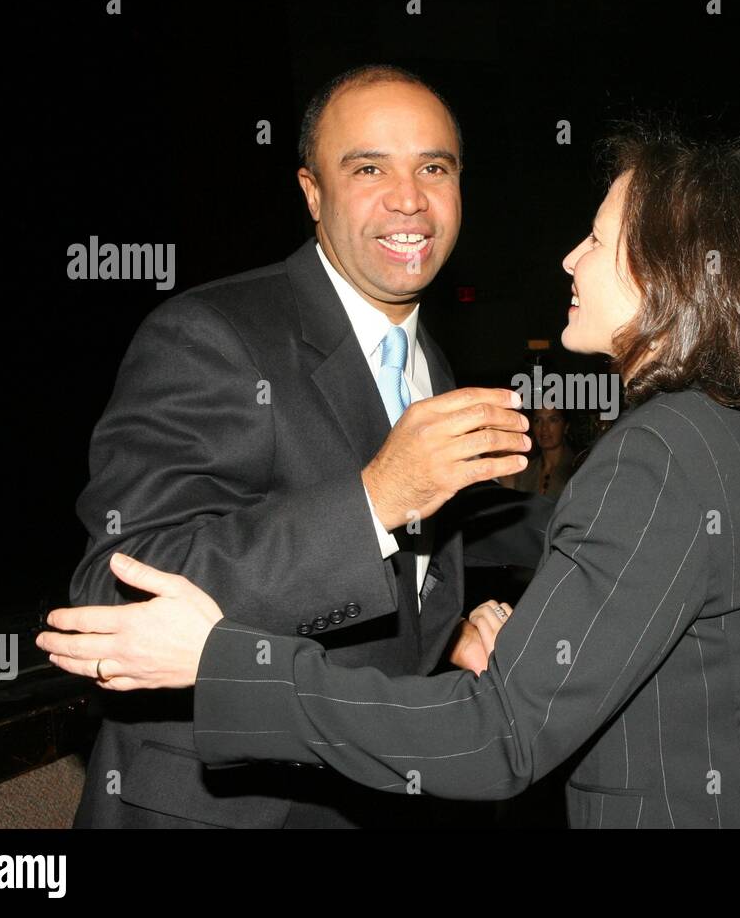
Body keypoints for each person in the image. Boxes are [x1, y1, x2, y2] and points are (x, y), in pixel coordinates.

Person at [40, 127, 740, 828]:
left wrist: (221, 663)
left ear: (674, 272)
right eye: (369, 168)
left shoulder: (660, 447)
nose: (570, 256)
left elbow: (499, 736)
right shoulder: (728, 423)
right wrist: (539, 644)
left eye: (598, 240)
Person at [66, 64, 552, 829]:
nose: (409, 198)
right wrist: (375, 500)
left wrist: (443, 628)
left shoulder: (433, 365)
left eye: (435, 167)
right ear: (312, 193)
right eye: (368, 167)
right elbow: (110, 591)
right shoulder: (214, 332)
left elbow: (402, 585)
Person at [505, 405, 577, 498]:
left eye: (553, 420)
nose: (544, 428)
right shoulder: (525, 473)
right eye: (538, 421)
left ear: (566, 426)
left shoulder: (578, 469)